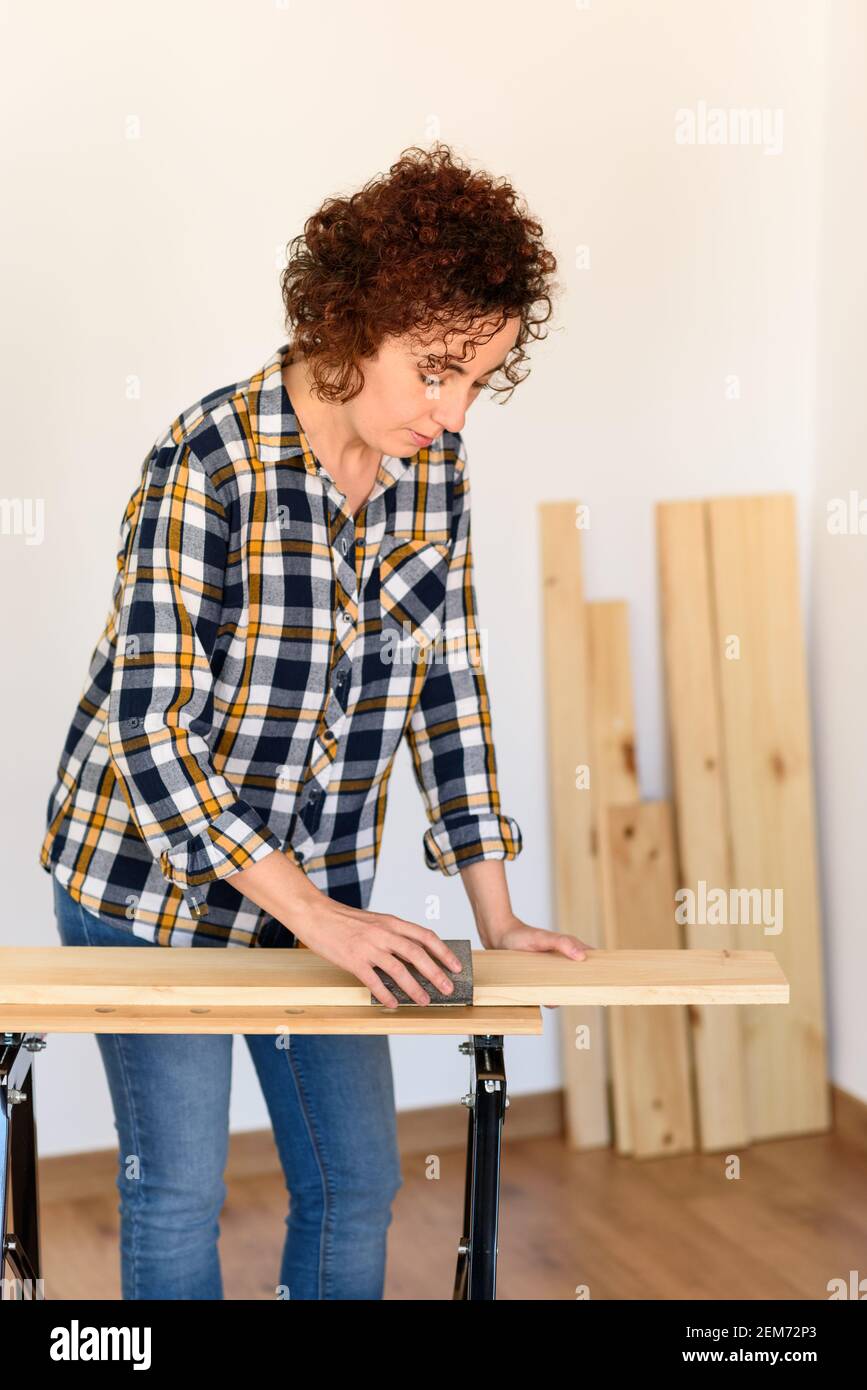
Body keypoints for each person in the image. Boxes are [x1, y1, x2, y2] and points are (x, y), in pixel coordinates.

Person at [39, 142, 589, 1300]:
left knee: (355, 1181)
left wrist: (497, 911)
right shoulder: (209, 461)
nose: (452, 410)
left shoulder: (433, 475)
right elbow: (151, 729)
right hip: (149, 880)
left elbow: (448, 682)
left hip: (314, 895)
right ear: (351, 325)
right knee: (180, 1186)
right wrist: (319, 920)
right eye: (434, 371)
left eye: (479, 379)